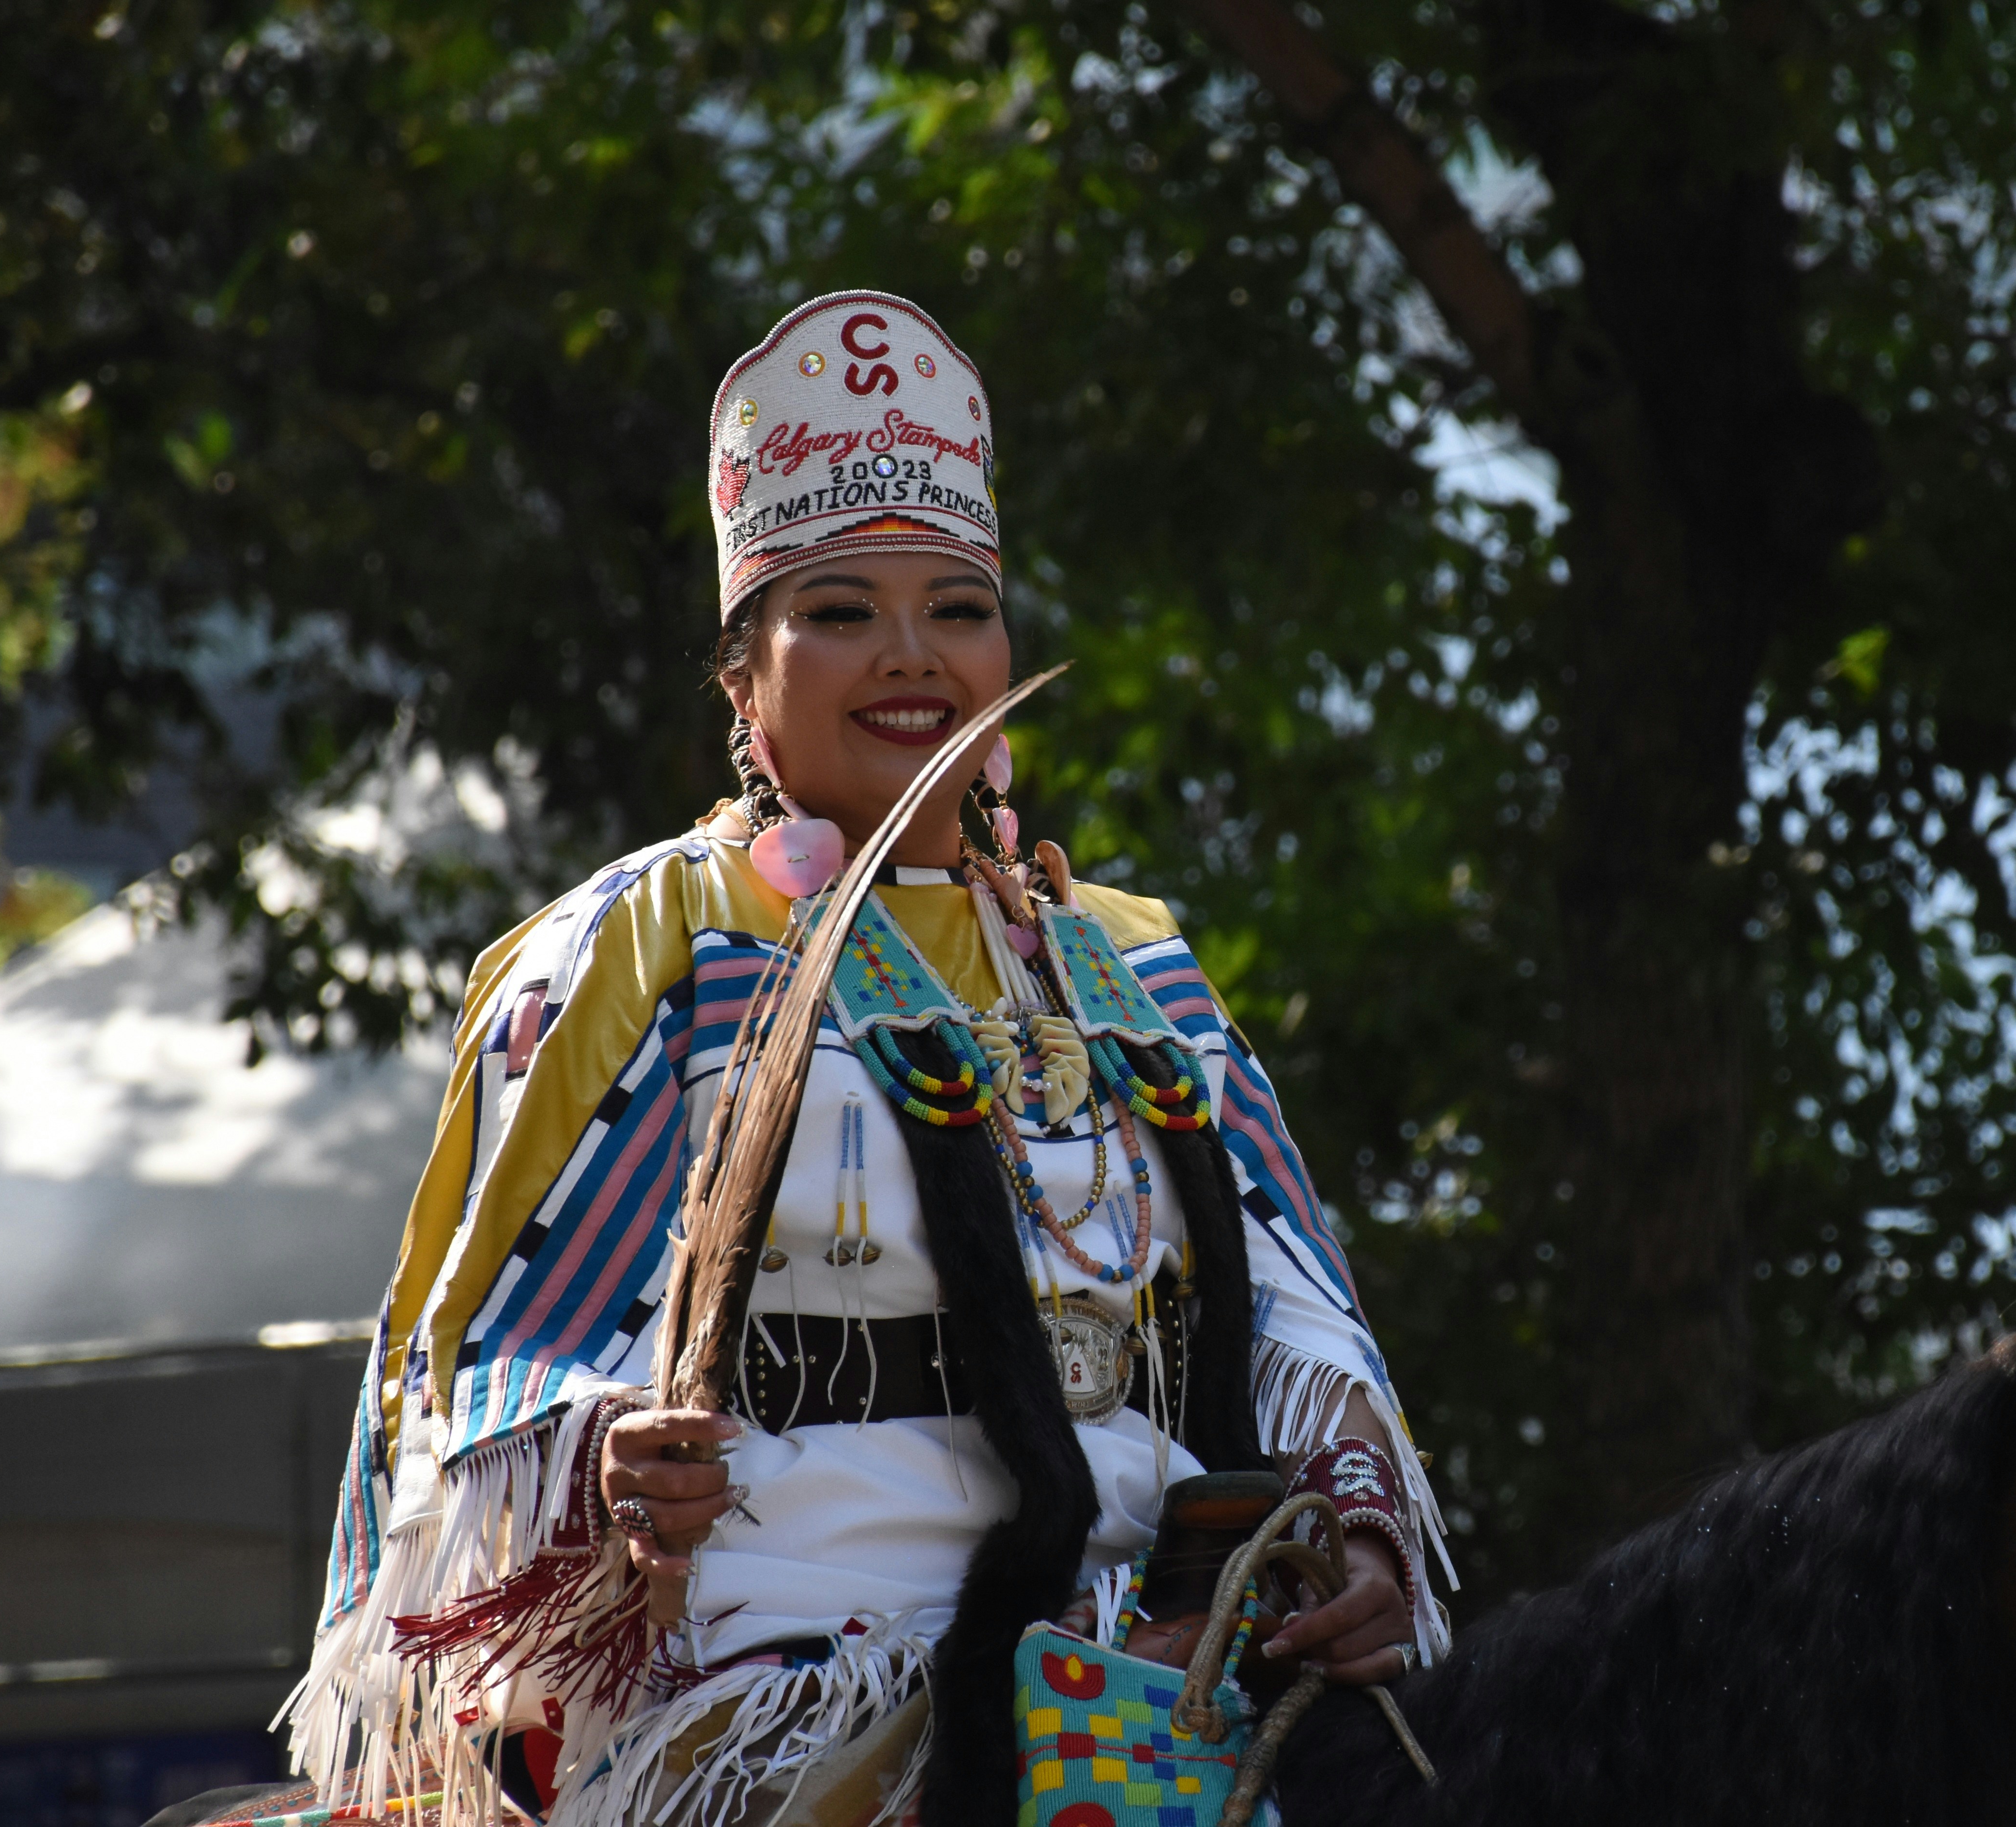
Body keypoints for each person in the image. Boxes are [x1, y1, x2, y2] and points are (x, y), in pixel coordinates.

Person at [280, 291, 1449, 1827]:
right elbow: (490, 1358)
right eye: (838, 613)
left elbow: (1297, 1306)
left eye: (957, 610)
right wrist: (613, 1464)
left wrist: (1357, 1525)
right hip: (795, 1678)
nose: (911, 657)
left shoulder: (1130, 961)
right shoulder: (651, 943)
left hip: (1176, 1652)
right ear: (741, 680)